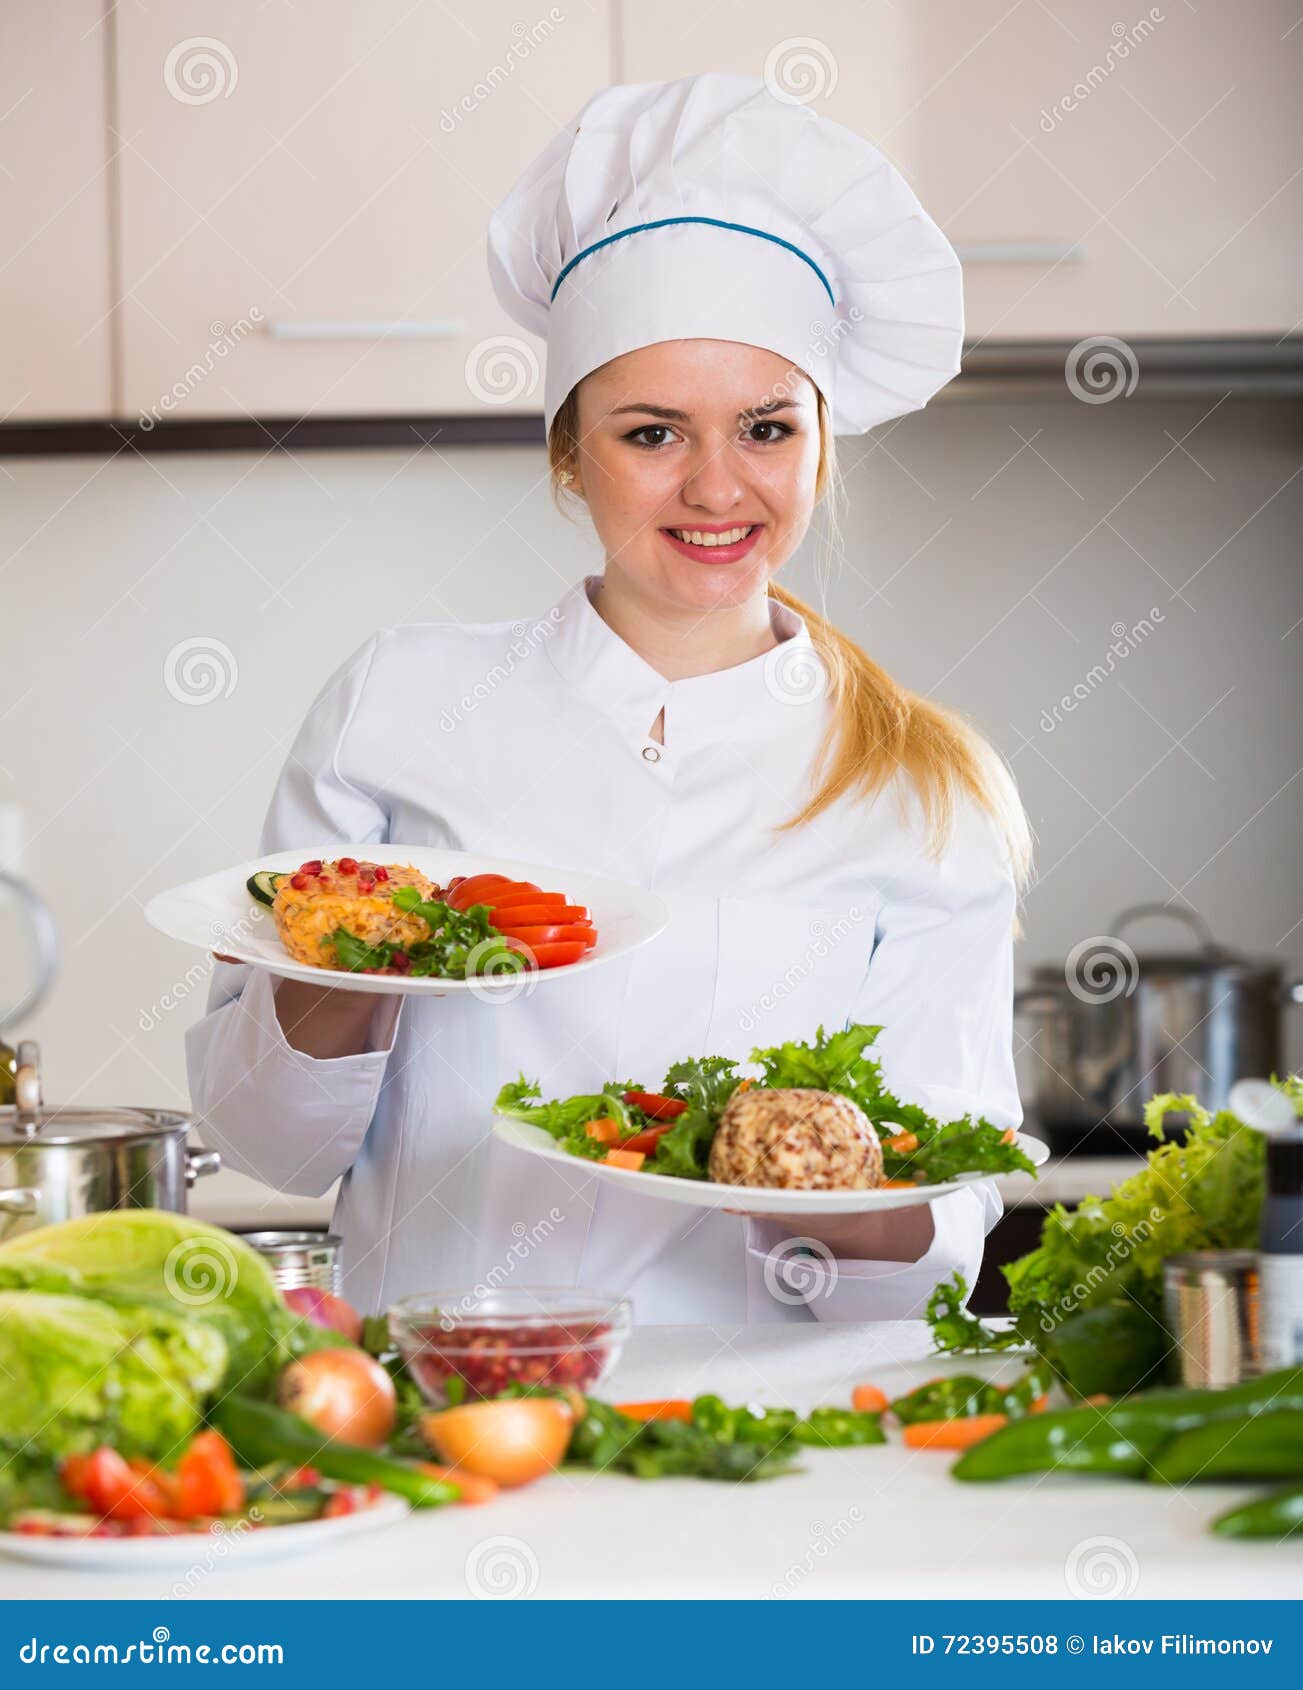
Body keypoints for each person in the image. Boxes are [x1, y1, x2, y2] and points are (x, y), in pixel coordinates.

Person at [187, 71, 1032, 1322]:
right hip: (448, 1416)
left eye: (765, 428)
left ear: (820, 439)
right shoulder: (400, 705)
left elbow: (943, 1241)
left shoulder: (924, 792)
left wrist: (815, 1182)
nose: (714, 486)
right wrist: (359, 961)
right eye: (651, 433)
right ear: (569, 451)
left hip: (772, 1441)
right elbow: (270, 1142)